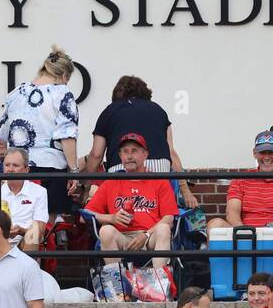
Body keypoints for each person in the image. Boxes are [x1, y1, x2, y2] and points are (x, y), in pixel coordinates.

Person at [83, 74, 198, 210]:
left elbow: (96, 155)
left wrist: (86, 187)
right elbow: (171, 153)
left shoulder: (109, 112)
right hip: (159, 174)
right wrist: (185, 191)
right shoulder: (159, 110)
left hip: (122, 171)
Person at [0, 45, 80, 215]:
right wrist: (74, 171)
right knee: (44, 226)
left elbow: (2, 134)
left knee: (18, 218)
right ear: (63, 75)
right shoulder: (62, 93)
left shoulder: (15, 93)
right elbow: (67, 135)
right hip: (51, 168)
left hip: (19, 168)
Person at [84, 132, 177, 265]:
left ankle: (159, 283)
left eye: (134, 151)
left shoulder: (159, 181)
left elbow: (169, 219)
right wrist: (111, 218)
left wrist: (145, 235)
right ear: (120, 156)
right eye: (125, 152)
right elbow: (86, 214)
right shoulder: (111, 182)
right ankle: (117, 283)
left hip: (150, 236)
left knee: (164, 228)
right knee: (106, 230)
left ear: (145, 154)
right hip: (122, 237)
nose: (129, 156)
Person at [206, 131, 273, 249]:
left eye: (271, 152)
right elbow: (232, 213)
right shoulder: (241, 179)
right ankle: (222, 267)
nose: (266, 157)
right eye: (262, 152)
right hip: (244, 233)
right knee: (214, 224)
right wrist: (245, 232)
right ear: (255, 153)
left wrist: (264, 232)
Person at [0, 147, 49, 252]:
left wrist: (22, 231)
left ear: (26, 169)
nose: (10, 169)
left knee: (33, 233)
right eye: (7, 165)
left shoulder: (39, 191)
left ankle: (23, 269)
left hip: (23, 238)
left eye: (15, 165)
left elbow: (40, 228)